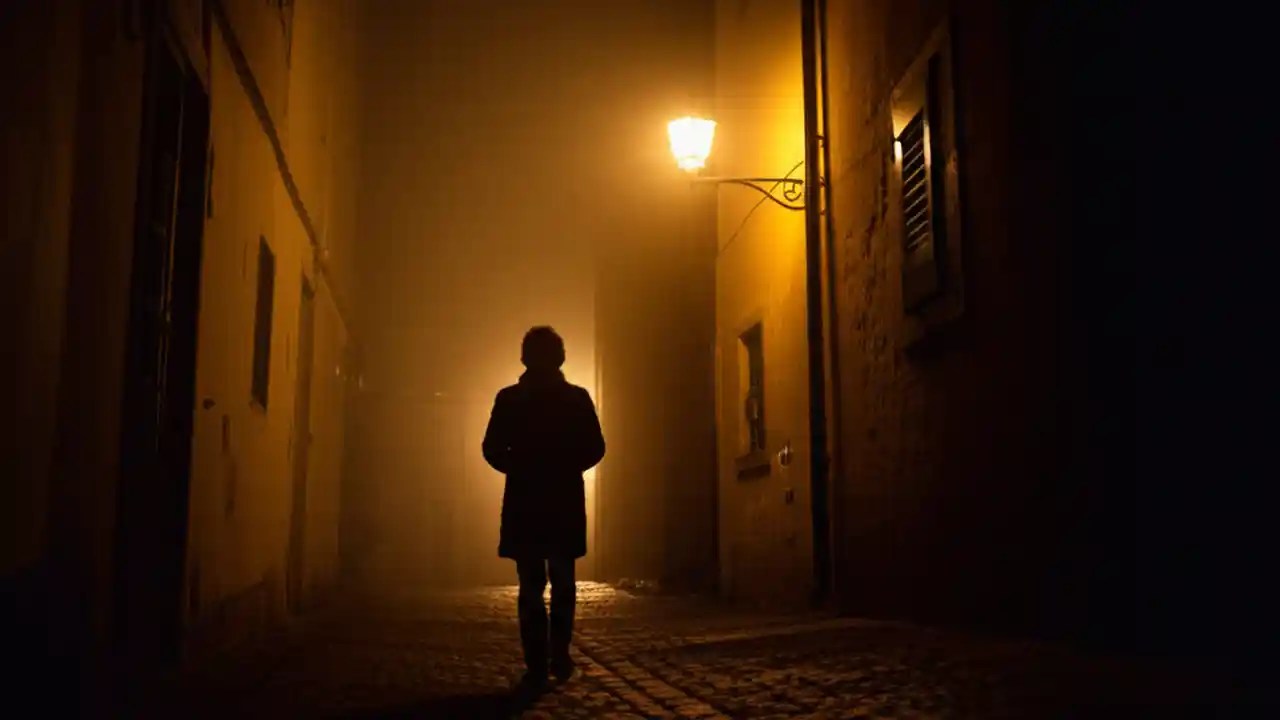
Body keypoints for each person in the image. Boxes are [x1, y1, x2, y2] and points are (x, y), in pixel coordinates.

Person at [482, 326, 605, 688]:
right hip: (564, 498)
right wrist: (567, 466)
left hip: (525, 500)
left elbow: (491, 449)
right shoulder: (577, 399)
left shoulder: (509, 399)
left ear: (524, 358)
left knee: (531, 584)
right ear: (561, 357)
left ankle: (537, 661)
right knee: (563, 581)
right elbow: (596, 447)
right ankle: (560, 655)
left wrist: (519, 467)